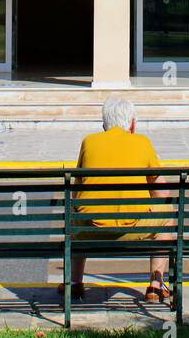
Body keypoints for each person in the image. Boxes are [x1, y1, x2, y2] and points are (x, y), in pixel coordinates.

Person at [62, 96, 171, 304]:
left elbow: (76, 192)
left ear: (104, 124)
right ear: (132, 124)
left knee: (73, 217)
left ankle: (75, 283)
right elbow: (163, 194)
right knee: (167, 218)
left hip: (90, 231)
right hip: (133, 229)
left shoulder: (89, 141)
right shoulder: (142, 142)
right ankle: (155, 286)